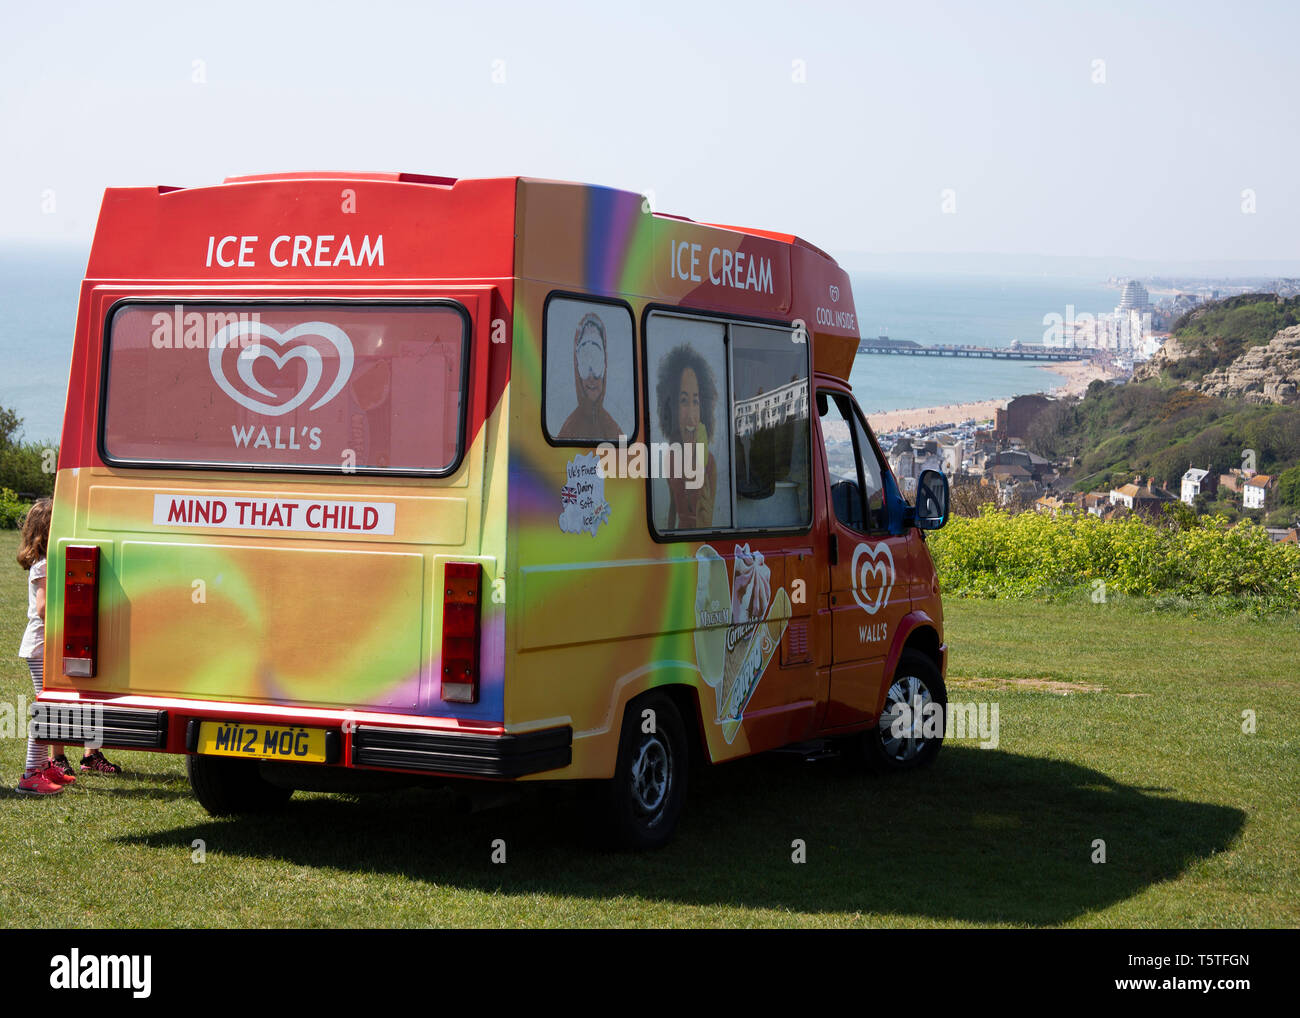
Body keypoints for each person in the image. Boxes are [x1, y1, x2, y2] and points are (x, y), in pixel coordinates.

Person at [15, 499, 120, 796]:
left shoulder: (48, 562)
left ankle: (46, 766)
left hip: (46, 647)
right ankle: (31, 775)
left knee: (54, 708)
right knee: (47, 710)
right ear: (50, 530)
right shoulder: (45, 565)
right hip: (41, 648)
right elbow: (44, 609)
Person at [656, 343, 718, 530]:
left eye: (696, 402)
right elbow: (673, 508)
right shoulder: (671, 457)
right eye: (683, 401)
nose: (691, 415)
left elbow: (708, 522)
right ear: (672, 406)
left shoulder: (709, 464)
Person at [557, 313, 624, 441]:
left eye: (596, 360)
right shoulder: (568, 431)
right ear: (577, 366)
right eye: (584, 360)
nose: (591, 376)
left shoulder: (614, 431)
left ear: (604, 364)